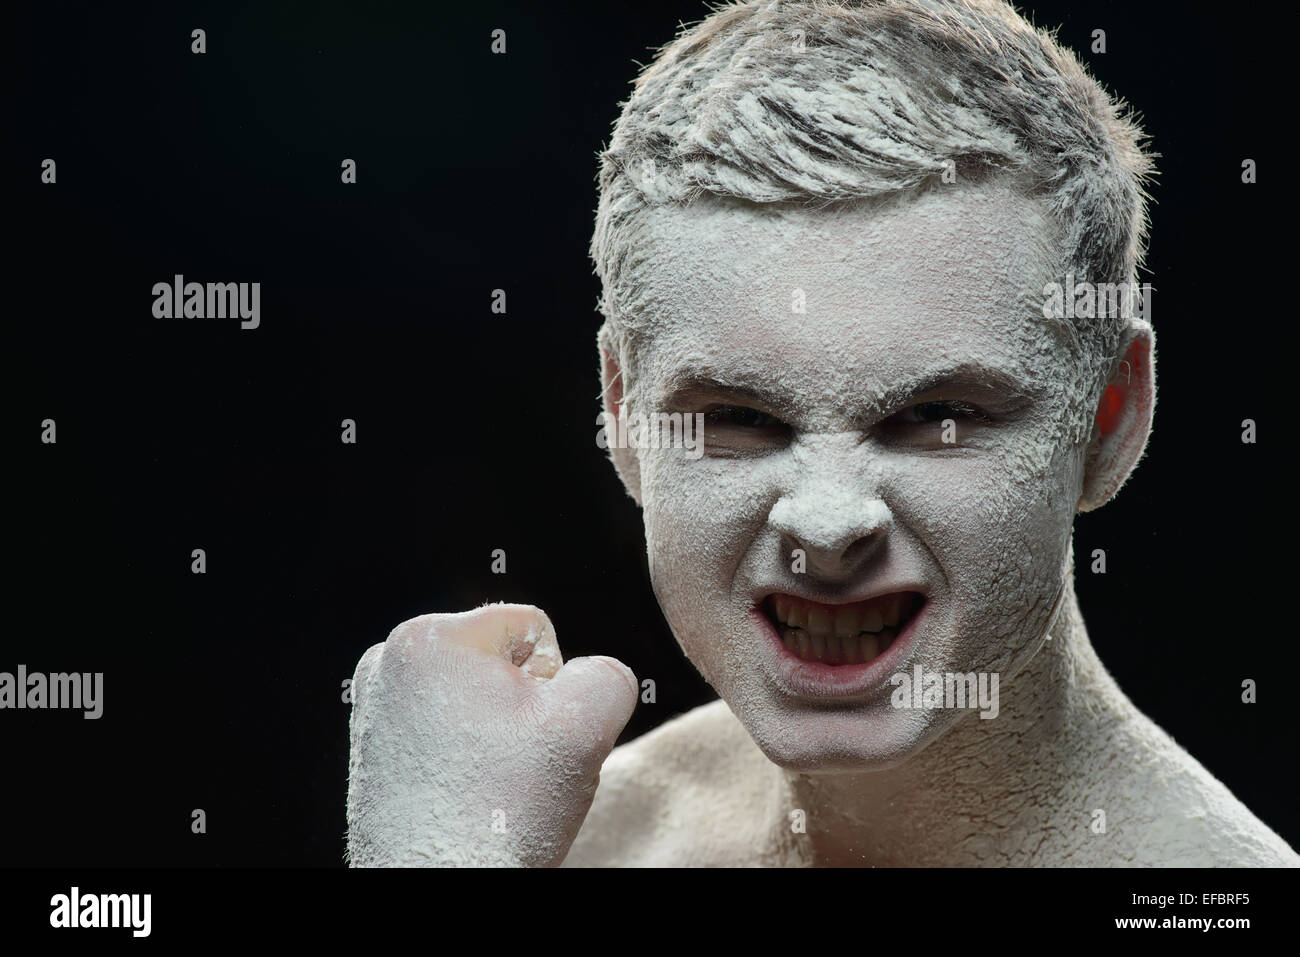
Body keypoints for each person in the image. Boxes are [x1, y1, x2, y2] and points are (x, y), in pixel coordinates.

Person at [345, 0, 1298, 867]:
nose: (829, 523)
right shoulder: (584, 836)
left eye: (938, 416)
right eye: (739, 419)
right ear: (623, 414)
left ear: (1110, 417)